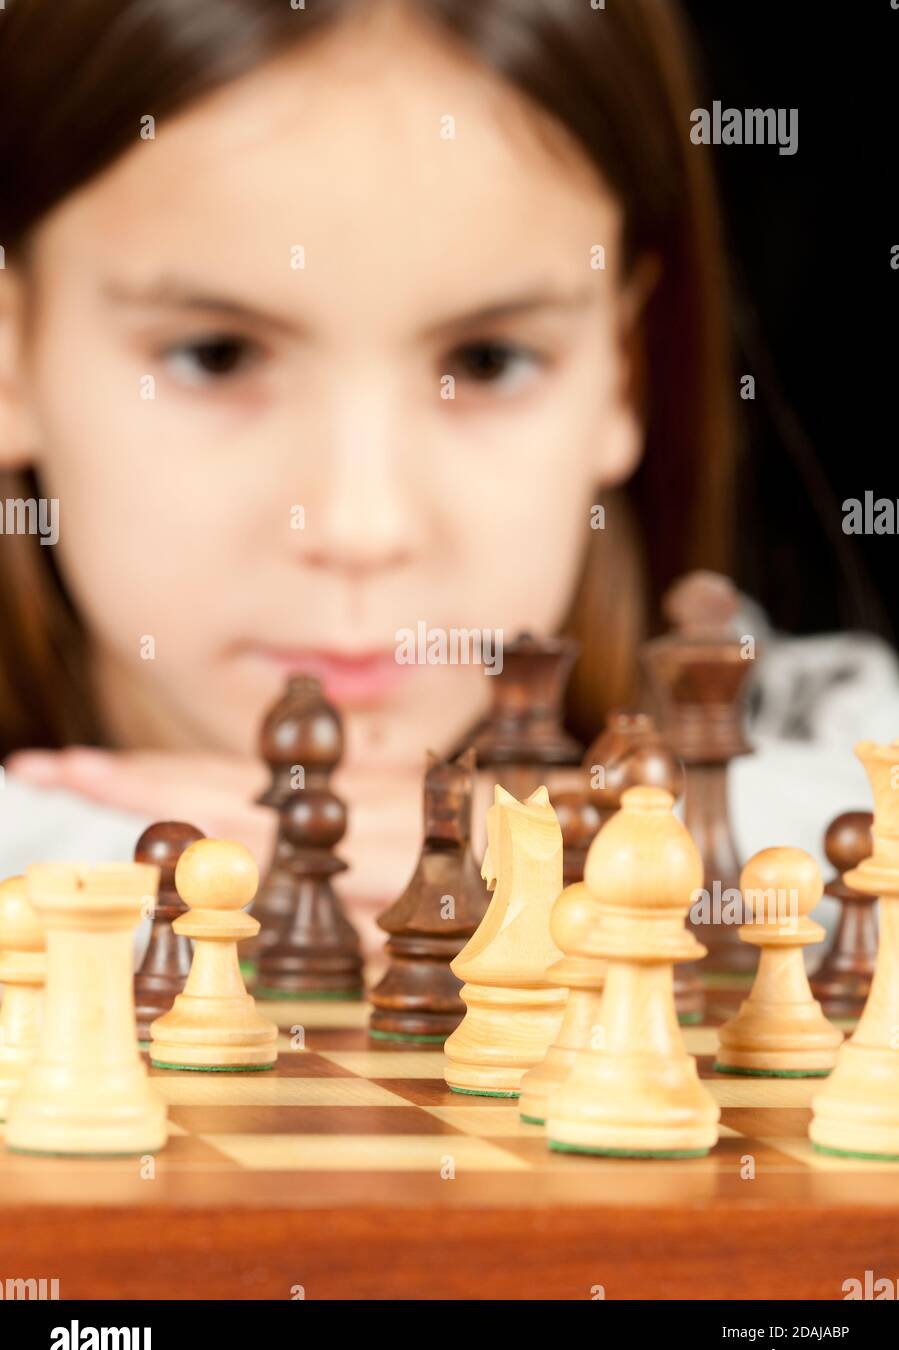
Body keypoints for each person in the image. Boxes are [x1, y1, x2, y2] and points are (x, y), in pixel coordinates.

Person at [0, 0, 893, 950]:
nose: (361, 525)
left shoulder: (809, 737)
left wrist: (576, 854)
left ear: (624, 371)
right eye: (216, 354)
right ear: (12, 352)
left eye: (487, 361)